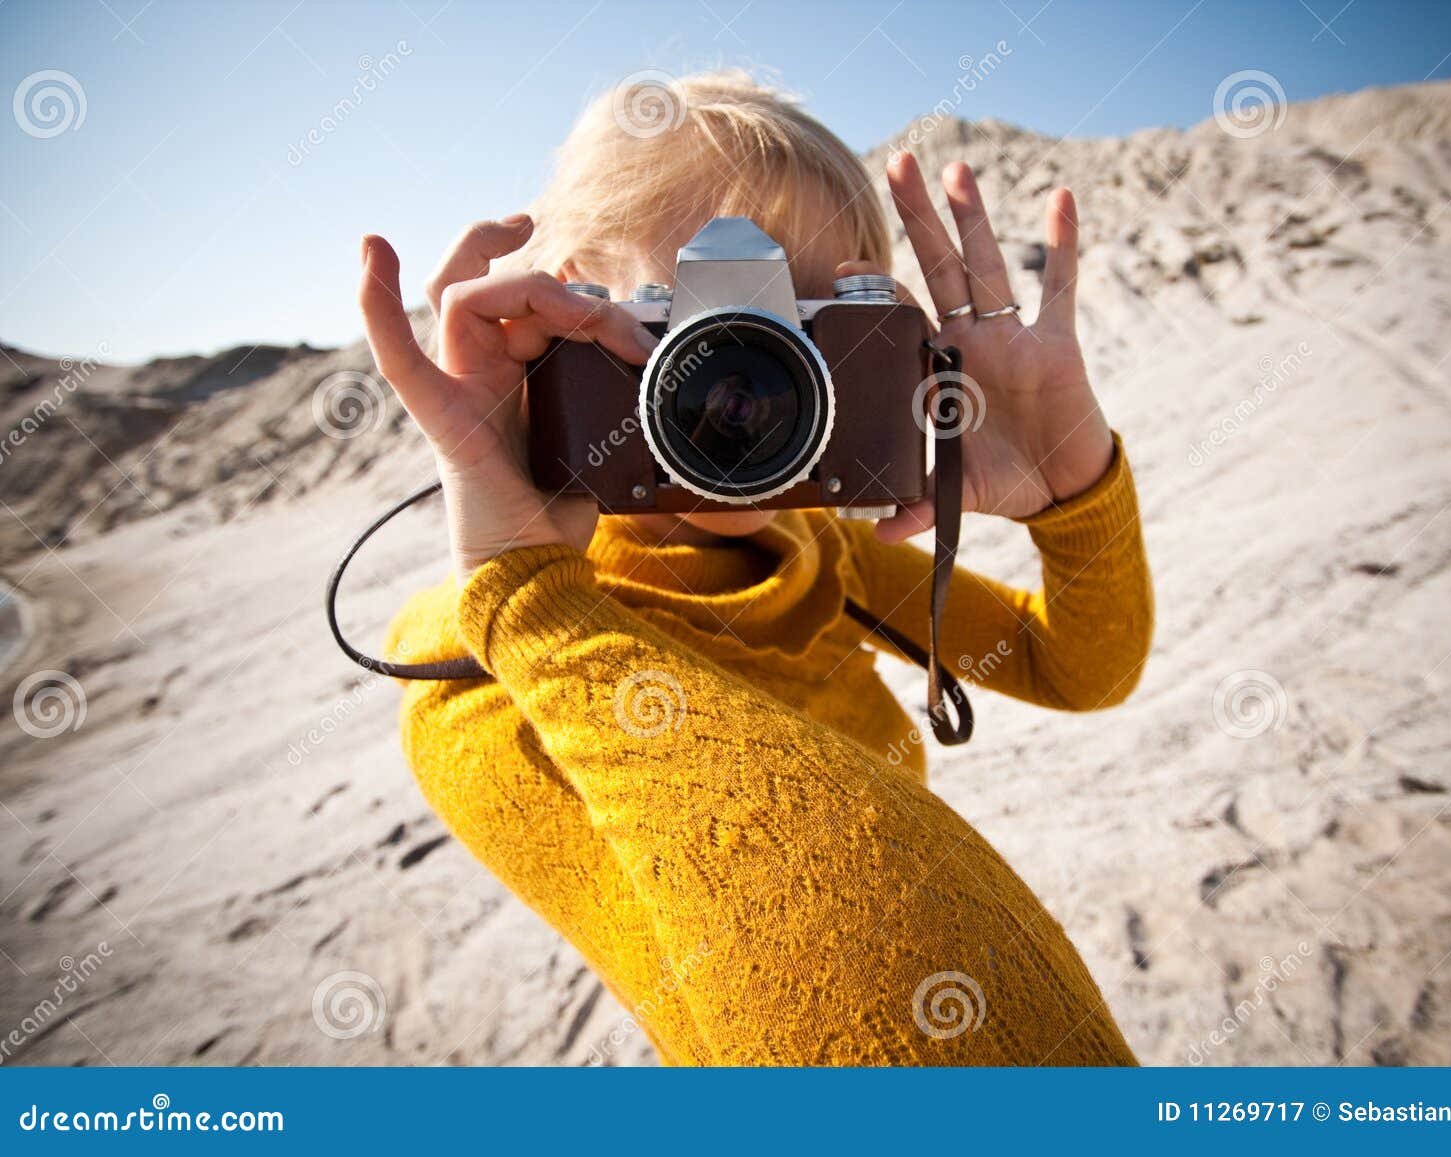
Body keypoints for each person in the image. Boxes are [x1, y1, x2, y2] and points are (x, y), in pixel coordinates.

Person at [360, 70, 1154, 1065]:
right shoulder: (474, 676)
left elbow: (1078, 666)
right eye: (689, 321)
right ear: (557, 325)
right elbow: (829, 908)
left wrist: (1075, 493)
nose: (756, 385)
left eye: (808, 325)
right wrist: (520, 585)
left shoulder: (822, 549)